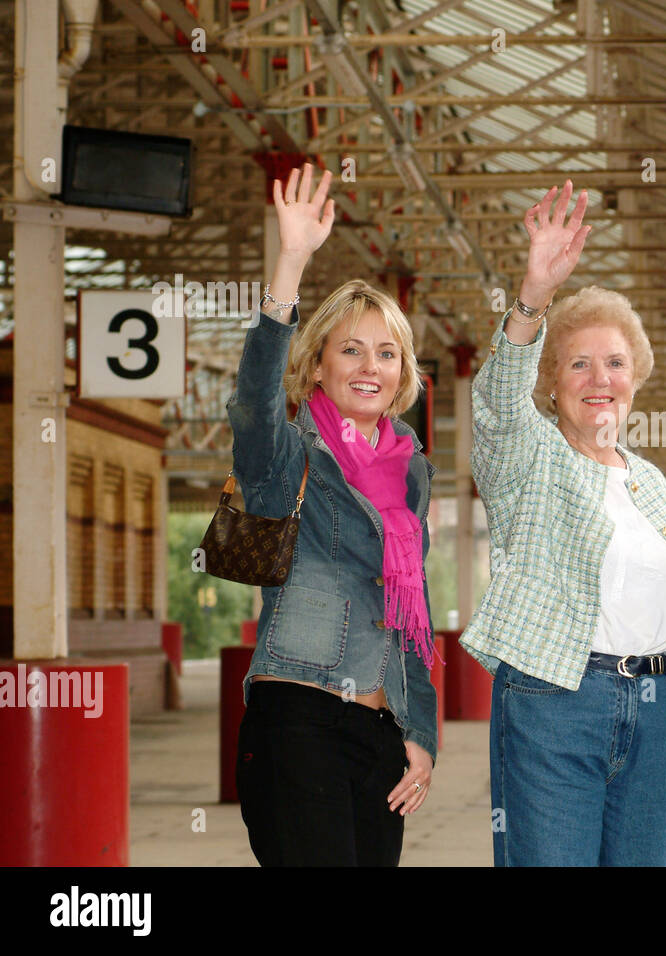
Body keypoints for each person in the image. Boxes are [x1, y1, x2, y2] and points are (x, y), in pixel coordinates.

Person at [460, 180, 666, 866]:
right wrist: (534, 292)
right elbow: (494, 406)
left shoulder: (651, 481)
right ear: (552, 382)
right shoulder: (531, 457)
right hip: (556, 704)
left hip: (655, 711)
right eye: (578, 363)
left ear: (634, 379)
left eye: (614, 363)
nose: (598, 377)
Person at [228, 163, 439, 866]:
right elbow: (253, 403)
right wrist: (289, 266)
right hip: (299, 722)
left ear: (402, 374)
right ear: (317, 365)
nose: (369, 365)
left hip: (379, 735)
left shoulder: (410, 475)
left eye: (386, 352)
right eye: (350, 348)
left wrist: (420, 734)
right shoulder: (290, 458)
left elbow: (414, 617)